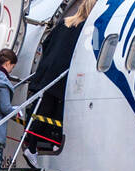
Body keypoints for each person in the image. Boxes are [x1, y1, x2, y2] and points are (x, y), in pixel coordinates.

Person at [26, 1, 95, 154]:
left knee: (44, 109)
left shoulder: (65, 22)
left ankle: (34, 145)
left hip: (47, 71)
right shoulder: (88, 29)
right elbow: (93, 51)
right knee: (57, 110)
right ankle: (45, 145)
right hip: (62, 75)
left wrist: (50, 58)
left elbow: (46, 42)